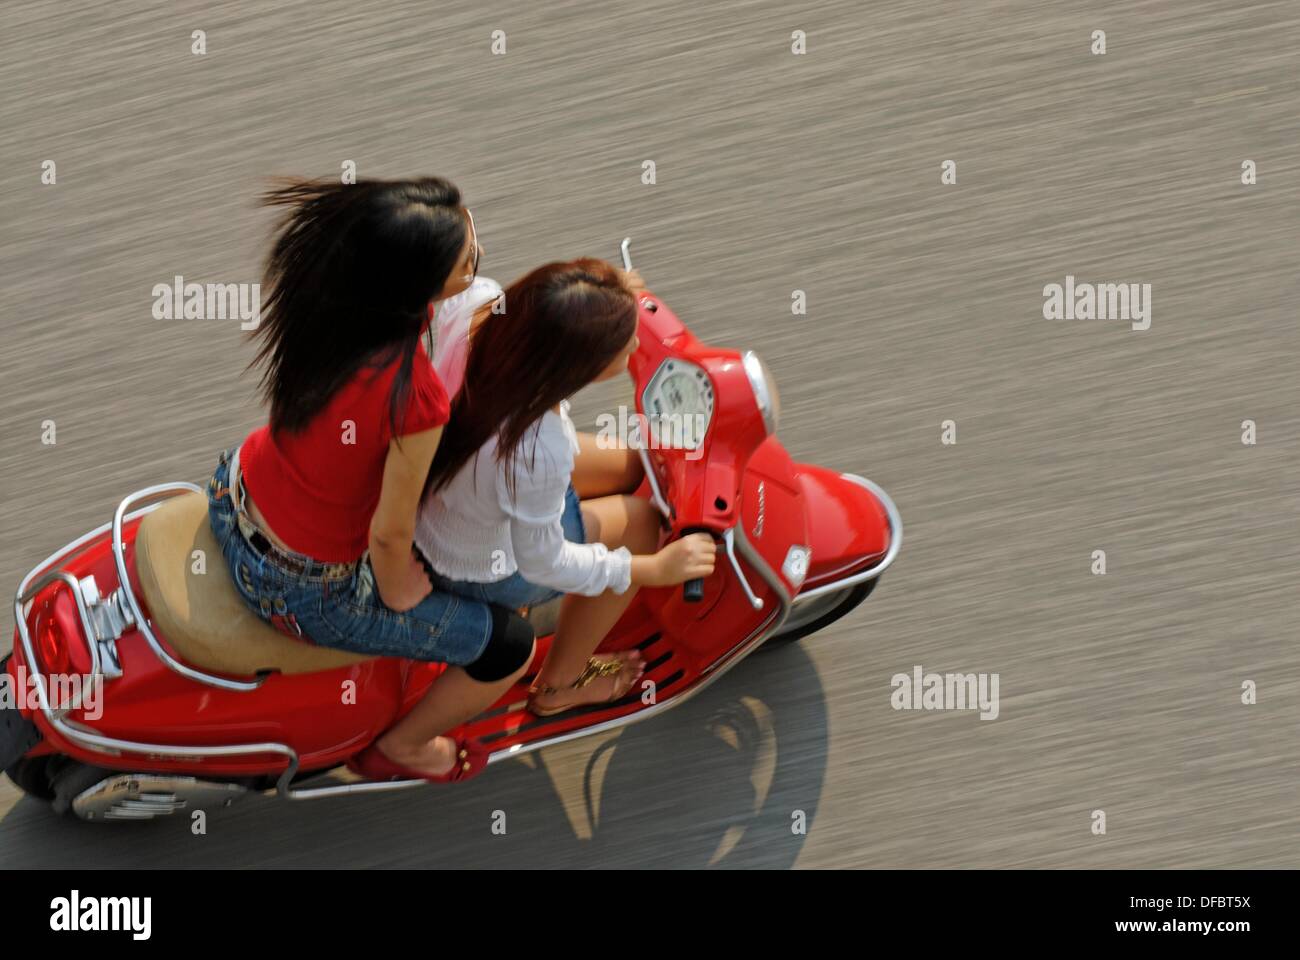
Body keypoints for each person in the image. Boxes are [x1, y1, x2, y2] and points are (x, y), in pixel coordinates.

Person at [205, 177, 534, 784]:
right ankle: (405, 746)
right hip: (300, 588)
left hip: (233, 493)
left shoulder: (328, 303)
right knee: (508, 645)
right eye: (468, 257)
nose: (478, 252)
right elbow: (389, 534)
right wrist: (401, 590)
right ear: (419, 284)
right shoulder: (414, 394)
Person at [416, 259, 717, 715]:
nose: (635, 344)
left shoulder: (482, 308)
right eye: (623, 342)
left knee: (633, 464)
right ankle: (559, 686)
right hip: (473, 563)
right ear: (584, 366)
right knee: (641, 524)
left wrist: (610, 292)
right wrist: (653, 568)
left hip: (451, 486)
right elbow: (544, 562)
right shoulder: (540, 447)